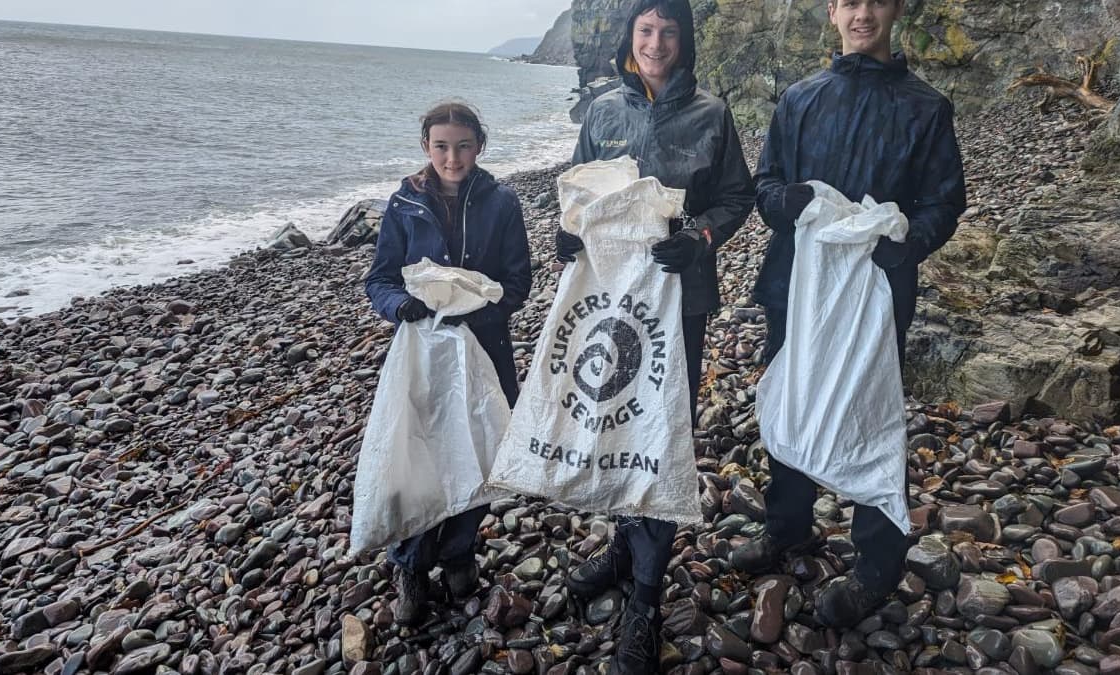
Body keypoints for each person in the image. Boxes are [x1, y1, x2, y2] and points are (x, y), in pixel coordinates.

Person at [734, 0, 967, 628]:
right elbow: (766, 182)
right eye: (849, 2)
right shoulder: (800, 99)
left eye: (875, 0)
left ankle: (877, 564)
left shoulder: (926, 107)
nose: (863, 14)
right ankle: (788, 527)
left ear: (895, 9)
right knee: (792, 397)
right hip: (796, 284)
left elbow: (945, 201)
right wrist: (786, 201)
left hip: (876, 288)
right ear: (833, 12)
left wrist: (908, 243)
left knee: (871, 413)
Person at [556, 1, 757, 670]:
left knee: (662, 435)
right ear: (630, 37)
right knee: (616, 425)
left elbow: (737, 196)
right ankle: (623, 548)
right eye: (646, 30)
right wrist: (569, 234)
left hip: (679, 299)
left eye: (669, 31)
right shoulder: (602, 112)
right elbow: (578, 194)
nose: (657, 42)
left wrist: (700, 236)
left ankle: (645, 598)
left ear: (684, 41)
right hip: (610, 298)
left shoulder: (711, 114)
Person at [365, 101, 532, 626]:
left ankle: (459, 550)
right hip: (422, 353)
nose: (452, 158)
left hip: (485, 348)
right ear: (426, 146)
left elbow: (518, 281)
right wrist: (401, 306)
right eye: (441, 146)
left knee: (482, 451)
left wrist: (477, 310)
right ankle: (412, 566)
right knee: (419, 456)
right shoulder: (404, 203)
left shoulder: (502, 202)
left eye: (463, 146)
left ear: (479, 146)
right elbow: (380, 279)